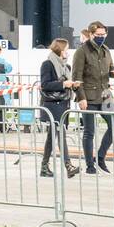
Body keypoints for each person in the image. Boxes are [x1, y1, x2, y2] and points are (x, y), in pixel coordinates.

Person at [72, 21, 114, 174]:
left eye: (103, 34)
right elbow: (76, 76)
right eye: (98, 35)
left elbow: (110, 69)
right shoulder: (82, 51)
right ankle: (89, 165)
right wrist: (81, 97)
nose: (101, 37)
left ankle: (100, 157)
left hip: (105, 96)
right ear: (91, 34)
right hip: (88, 96)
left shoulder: (106, 50)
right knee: (89, 132)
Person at [38, 39, 80, 179]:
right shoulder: (47, 64)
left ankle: (44, 167)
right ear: (60, 50)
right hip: (52, 104)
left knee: (52, 136)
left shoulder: (66, 67)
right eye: (66, 49)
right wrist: (63, 84)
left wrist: (73, 85)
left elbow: (66, 83)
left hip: (63, 104)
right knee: (60, 134)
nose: (68, 52)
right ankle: (68, 166)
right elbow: (45, 85)